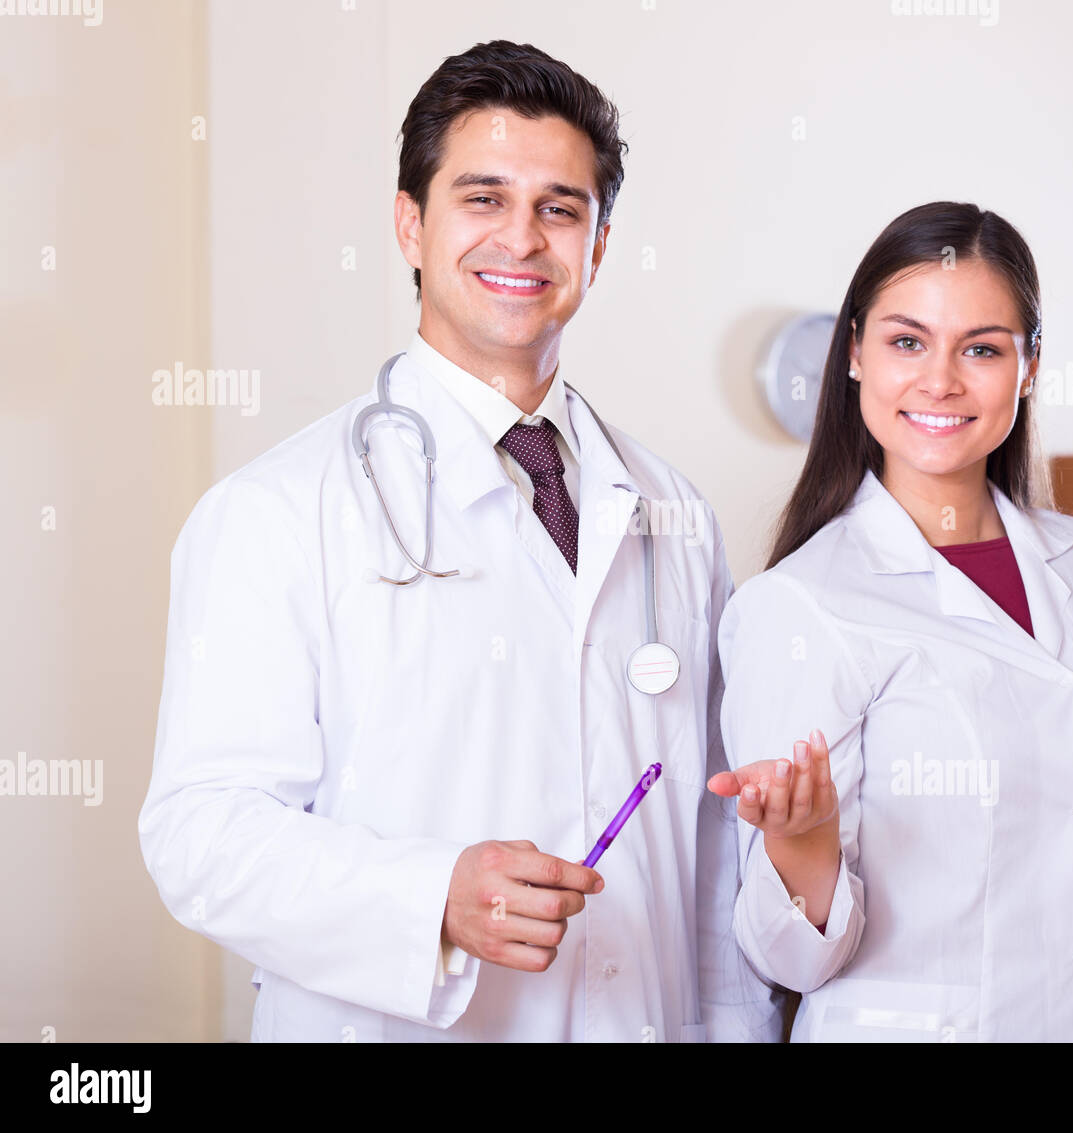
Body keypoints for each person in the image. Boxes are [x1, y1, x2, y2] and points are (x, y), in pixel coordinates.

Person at [139, 39, 778, 1043]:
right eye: (482, 198)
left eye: (559, 208)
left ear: (598, 246)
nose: (522, 239)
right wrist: (432, 892)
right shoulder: (275, 509)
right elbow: (201, 836)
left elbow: (708, 850)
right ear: (410, 225)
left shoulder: (670, 514)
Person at [709, 201, 1073, 1042]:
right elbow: (785, 961)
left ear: (1030, 365)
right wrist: (805, 845)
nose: (940, 380)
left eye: (981, 348)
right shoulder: (797, 606)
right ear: (856, 353)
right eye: (908, 341)